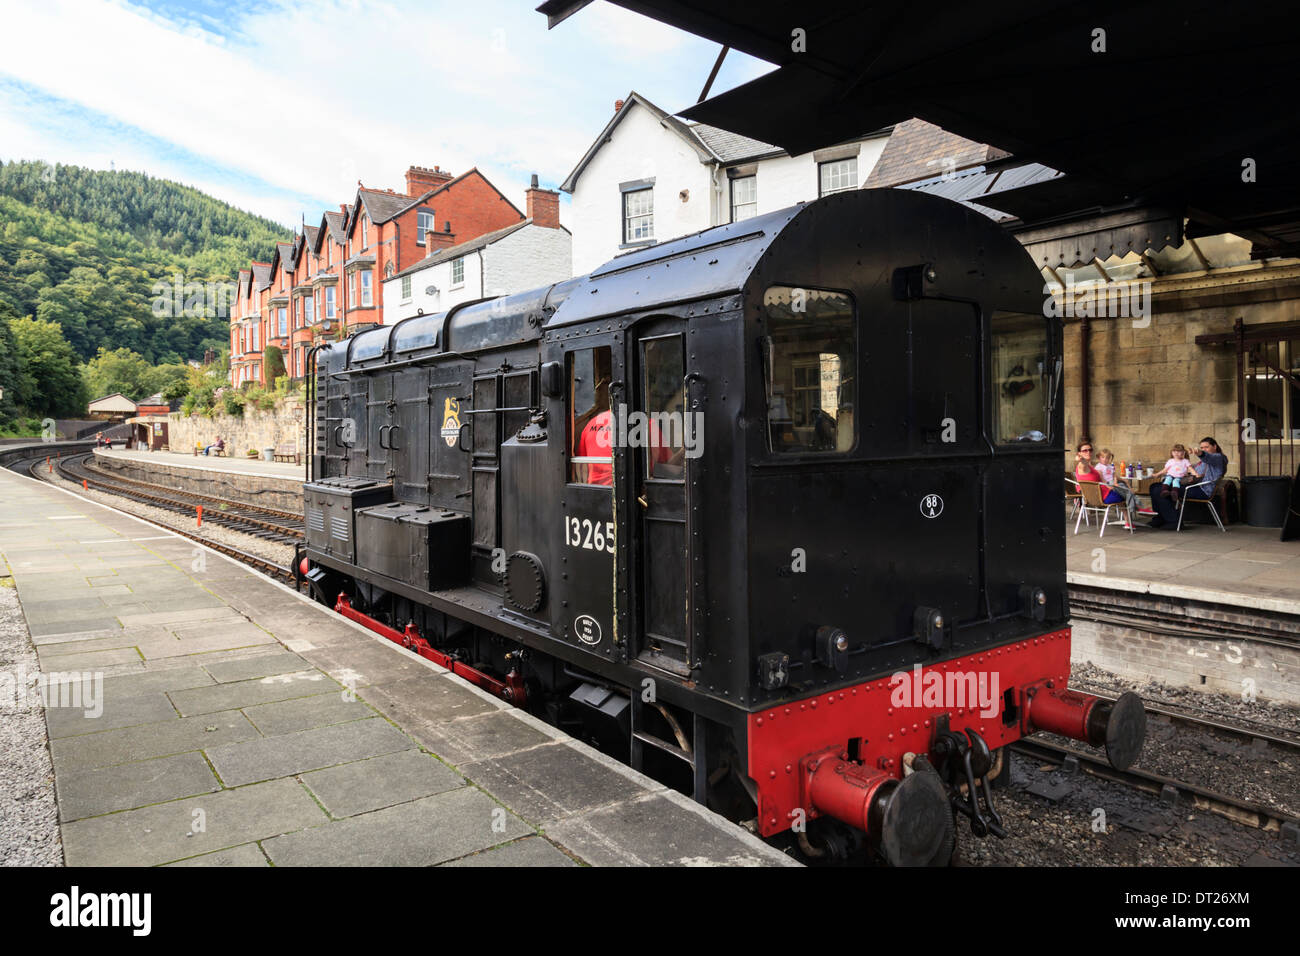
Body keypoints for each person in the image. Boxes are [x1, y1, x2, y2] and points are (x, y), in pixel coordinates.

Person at [1148, 437, 1228, 529]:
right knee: (1154, 486)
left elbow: (1208, 457)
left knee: (1159, 490)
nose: (1204, 449)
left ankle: (1174, 521)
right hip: (1193, 486)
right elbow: (1191, 469)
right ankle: (1160, 517)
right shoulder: (1202, 462)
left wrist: (1200, 452)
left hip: (1202, 490)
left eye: (1206, 447)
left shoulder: (1219, 457)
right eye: (1202, 448)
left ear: (1215, 446)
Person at [1096, 448, 1138, 528]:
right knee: (1126, 495)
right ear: (1099, 458)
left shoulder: (1109, 466)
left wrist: (1121, 481)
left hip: (1113, 484)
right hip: (1108, 486)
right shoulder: (1099, 467)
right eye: (1103, 457)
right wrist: (1110, 487)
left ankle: (1128, 520)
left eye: (1107, 458)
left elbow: (1114, 475)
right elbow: (1103, 480)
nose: (1105, 460)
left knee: (1126, 490)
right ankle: (1136, 508)